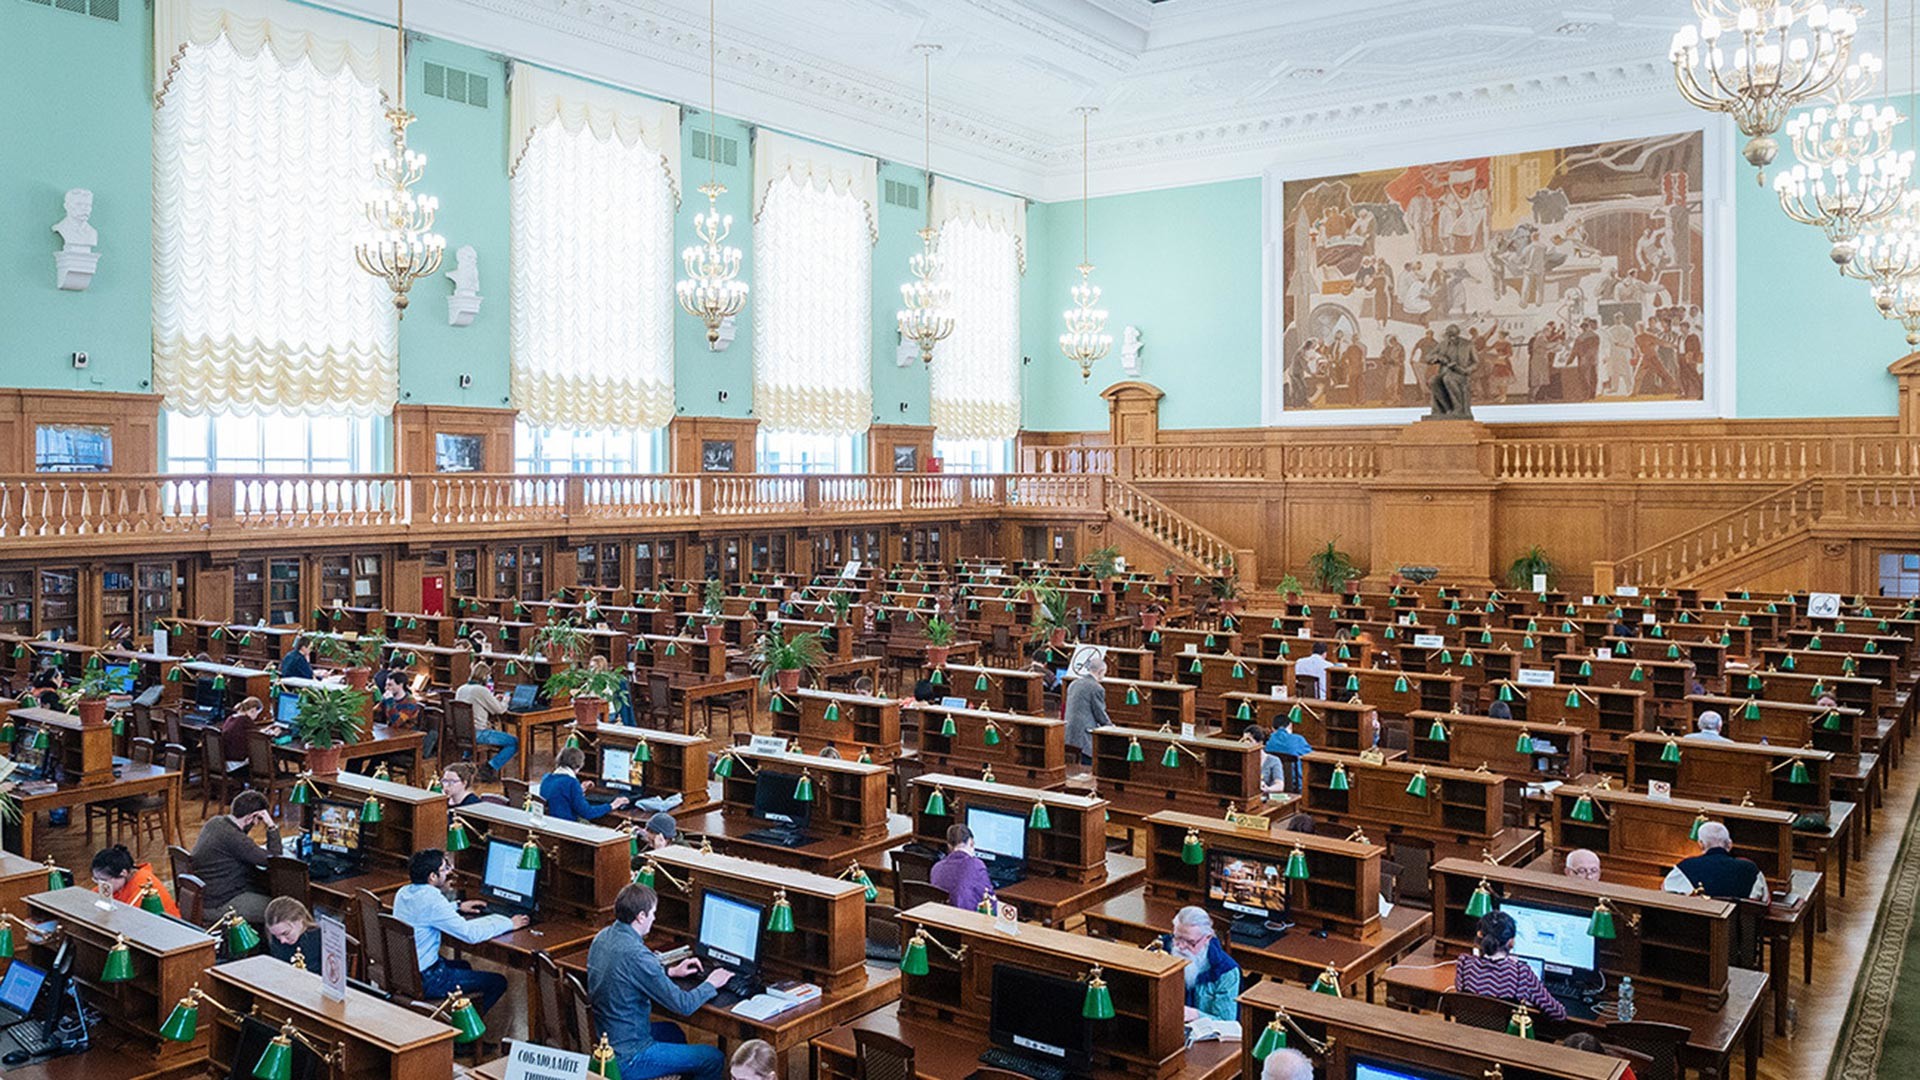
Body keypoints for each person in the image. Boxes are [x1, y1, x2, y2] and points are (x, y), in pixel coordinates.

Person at [586, 883, 731, 1080]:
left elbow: (629, 973)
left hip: (607, 1038)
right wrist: (711, 983)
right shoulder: (637, 956)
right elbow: (683, 1005)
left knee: (673, 1033)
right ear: (641, 916)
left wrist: (670, 971)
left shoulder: (602, 937)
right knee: (713, 1057)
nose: (654, 918)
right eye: (653, 913)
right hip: (628, 1057)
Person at [392, 849, 526, 1016]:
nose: (449, 872)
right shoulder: (432, 900)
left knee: (464, 966)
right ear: (432, 877)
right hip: (428, 979)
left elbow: (426, 913)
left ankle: (459, 1017)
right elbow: (470, 934)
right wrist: (509, 923)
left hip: (403, 972)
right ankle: (462, 1032)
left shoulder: (403, 892)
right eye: (444, 868)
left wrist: (457, 906)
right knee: (497, 982)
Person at [1455, 909, 1566, 1020]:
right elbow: (1558, 1013)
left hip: (1466, 1034)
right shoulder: (1521, 973)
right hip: (1504, 1037)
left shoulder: (1464, 964)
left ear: (1480, 936)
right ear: (1511, 942)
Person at [192, 790, 282, 925]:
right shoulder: (235, 839)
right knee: (280, 911)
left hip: (206, 896)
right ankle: (266, 945)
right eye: (258, 819)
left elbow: (241, 834)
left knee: (261, 889)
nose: (257, 824)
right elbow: (274, 859)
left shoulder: (215, 822)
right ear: (251, 817)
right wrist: (271, 826)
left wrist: (251, 819)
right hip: (220, 904)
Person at [1160, 905, 1240, 1022]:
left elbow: (1226, 1021)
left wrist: (1196, 1015)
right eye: (1177, 938)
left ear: (1207, 938)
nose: (1181, 947)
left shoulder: (1226, 971)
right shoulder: (1162, 949)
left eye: (1190, 942)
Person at [1664, 821, 1769, 901]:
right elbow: (1763, 902)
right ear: (1730, 844)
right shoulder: (1750, 869)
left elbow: (1666, 896)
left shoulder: (1685, 867)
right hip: (1739, 928)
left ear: (1701, 844)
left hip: (1695, 927)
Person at [455, 661, 518, 780]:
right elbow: (500, 710)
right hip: (479, 734)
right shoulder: (481, 690)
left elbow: (478, 703)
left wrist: (492, 699)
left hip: (462, 733)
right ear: (484, 676)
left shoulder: (461, 689)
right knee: (514, 742)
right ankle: (490, 767)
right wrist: (505, 700)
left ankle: (466, 760)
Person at [540, 746, 631, 822]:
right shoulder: (571, 783)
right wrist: (612, 805)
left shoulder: (547, 778)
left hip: (551, 824)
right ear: (578, 766)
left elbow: (561, 795)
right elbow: (587, 813)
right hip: (567, 827)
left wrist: (578, 790)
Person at [91, 844, 179, 917]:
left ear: (123, 873)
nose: (100, 885)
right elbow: (92, 897)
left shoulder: (143, 885)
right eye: (96, 879)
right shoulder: (121, 881)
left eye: (103, 880)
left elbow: (127, 917)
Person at [929, 823, 994, 911]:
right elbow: (990, 901)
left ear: (949, 846)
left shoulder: (936, 867)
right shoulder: (976, 865)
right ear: (971, 842)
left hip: (941, 919)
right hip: (966, 920)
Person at [1062, 656, 1109, 764]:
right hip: (1084, 736)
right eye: (1104, 673)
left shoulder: (1074, 683)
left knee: (1071, 764)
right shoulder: (1097, 688)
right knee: (1087, 767)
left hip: (1069, 733)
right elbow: (1100, 713)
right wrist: (1110, 726)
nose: (1103, 676)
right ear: (1100, 671)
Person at [263, 897, 322, 969]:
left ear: (300, 920)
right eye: (276, 936)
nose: (282, 941)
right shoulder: (275, 940)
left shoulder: (320, 939)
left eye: (285, 933)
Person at [1263, 712, 1313, 793]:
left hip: (1271, 783)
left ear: (1272, 728)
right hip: (1295, 784)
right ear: (1290, 725)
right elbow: (1311, 755)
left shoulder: (1267, 739)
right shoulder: (1298, 739)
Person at [219, 695, 270, 774]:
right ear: (253, 710)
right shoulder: (245, 721)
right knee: (267, 756)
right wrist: (272, 733)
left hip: (224, 761)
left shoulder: (231, 718)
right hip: (236, 764)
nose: (257, 716)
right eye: (257, 713)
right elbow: (258, 737)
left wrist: (263, 730)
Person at [1247, 726, 1287, 797]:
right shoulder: (1243, 760)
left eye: (1249, 740)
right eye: (1242, 740)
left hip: (1265, 798)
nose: (1244, 743)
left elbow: (1280, 785)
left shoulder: (1273, 761)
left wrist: (1267, 789)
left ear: (1260, 743)